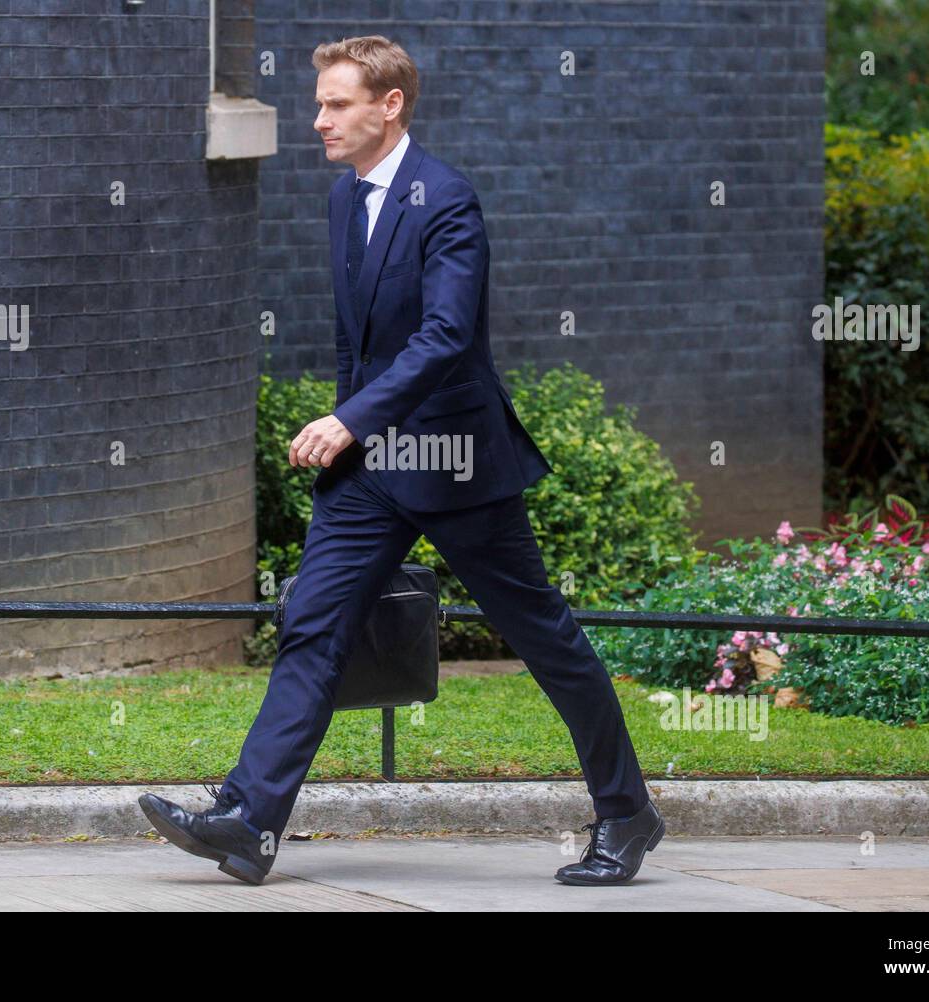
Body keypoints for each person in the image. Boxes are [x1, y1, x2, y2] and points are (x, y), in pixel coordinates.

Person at [138, 34, 663, 887]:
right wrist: (351, 436)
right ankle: (249, 820)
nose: (319, 120)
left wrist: (348, 420)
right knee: (313, 626)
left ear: (389, 106)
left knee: (544, 639)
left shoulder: (447, 200)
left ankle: (628, 812)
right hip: (368, 474)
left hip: (455, 463)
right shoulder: (345, 198)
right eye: (319, 104)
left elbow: (446, 336)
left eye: (336, 104)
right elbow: (360, 342)